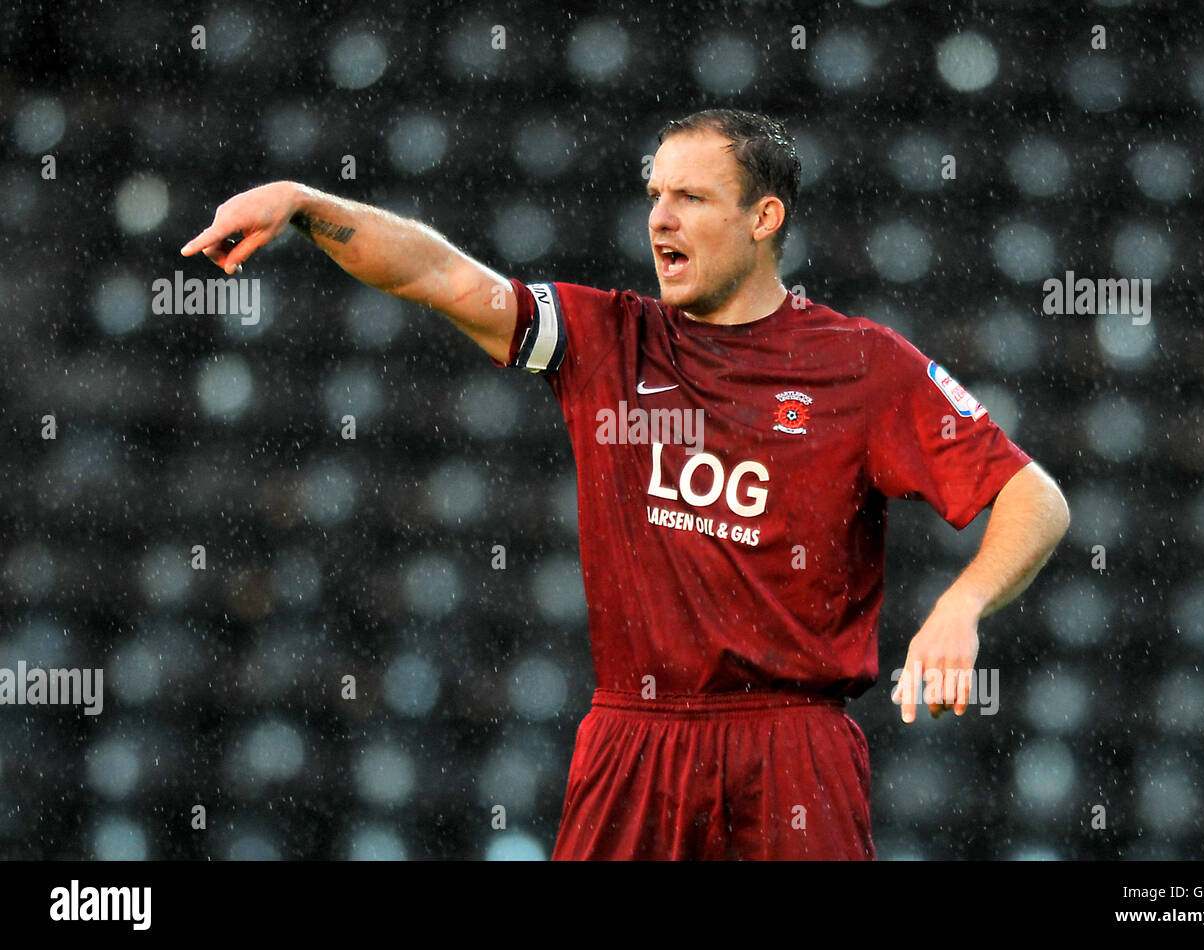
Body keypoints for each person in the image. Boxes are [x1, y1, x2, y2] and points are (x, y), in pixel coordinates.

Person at [182, 108, 1070, 860]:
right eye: (655, 196)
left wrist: (961, 608)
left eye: (690, 198)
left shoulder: (862, 367)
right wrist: (304, 205)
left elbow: (1035, 497)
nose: (661, 220)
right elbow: (438, 274)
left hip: (794, 743)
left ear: (765, 218)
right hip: (631, 743)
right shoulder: (608, 342)